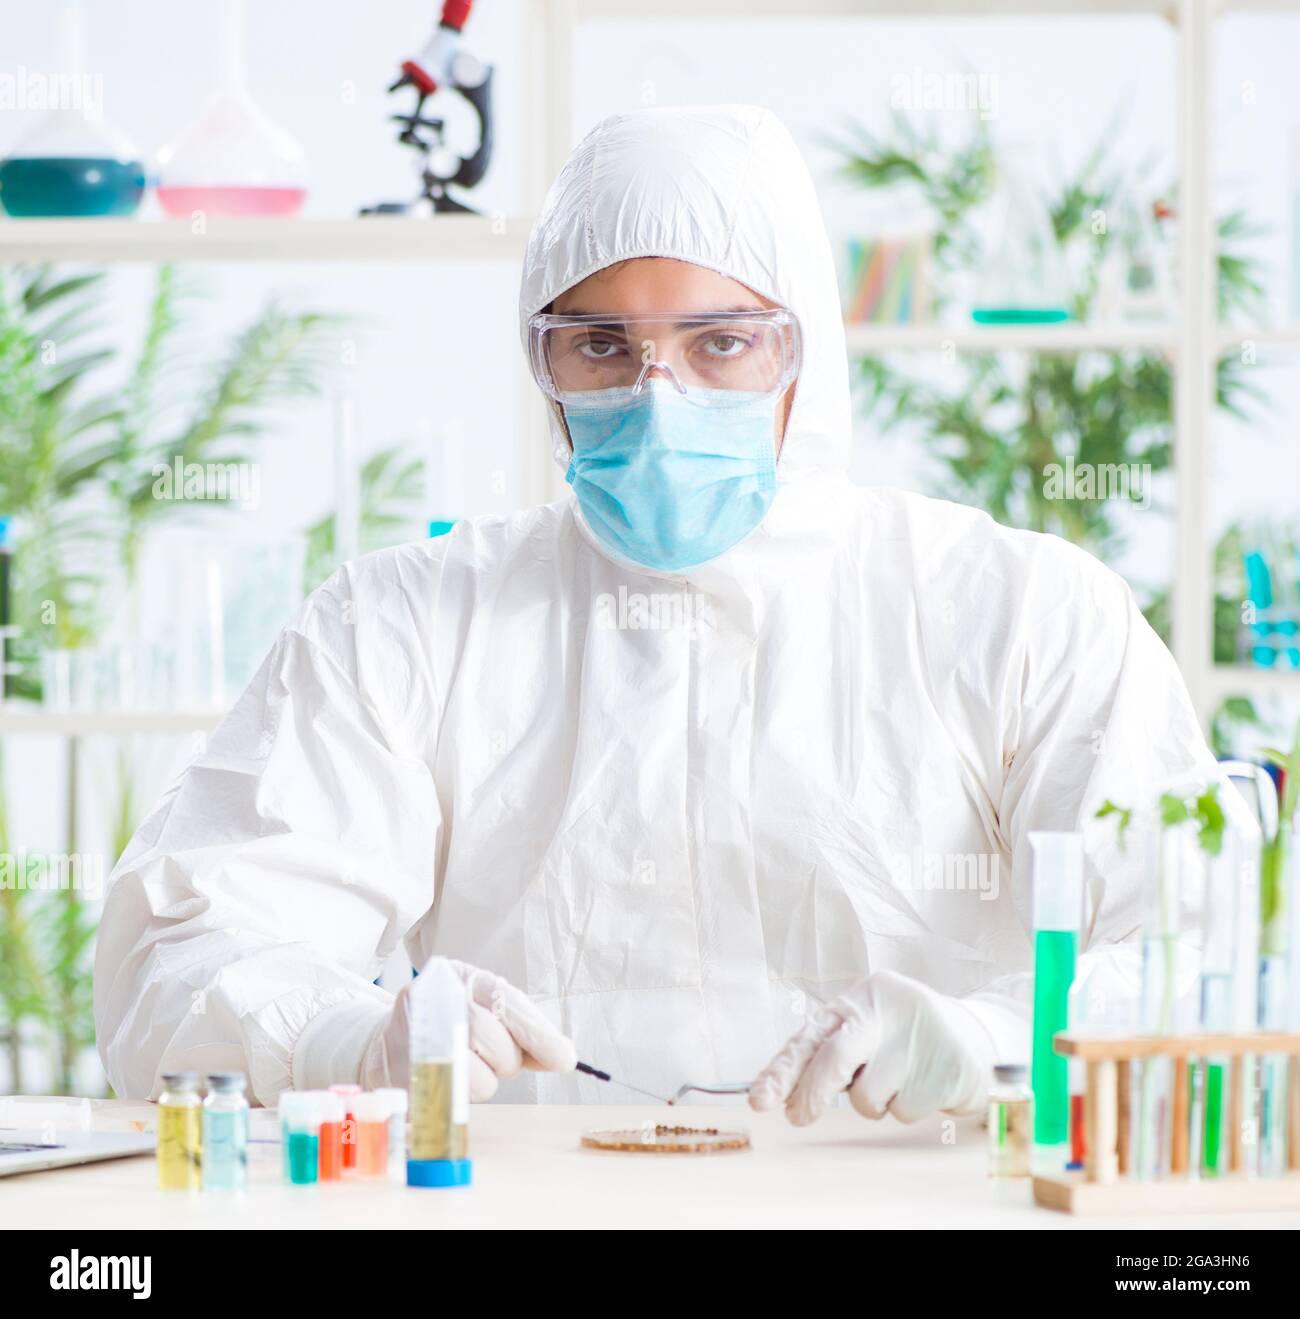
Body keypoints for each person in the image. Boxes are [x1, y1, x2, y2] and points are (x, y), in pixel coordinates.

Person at [94, 105, 1213, 1124]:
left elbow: (1195, 948)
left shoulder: (1019, 611)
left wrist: (992, 1044)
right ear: (543, 363)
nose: (656, 396)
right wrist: (350, 1036)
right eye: (601, 346)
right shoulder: (409, 622)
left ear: (801, 351)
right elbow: (183, 950)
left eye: (719, 342)